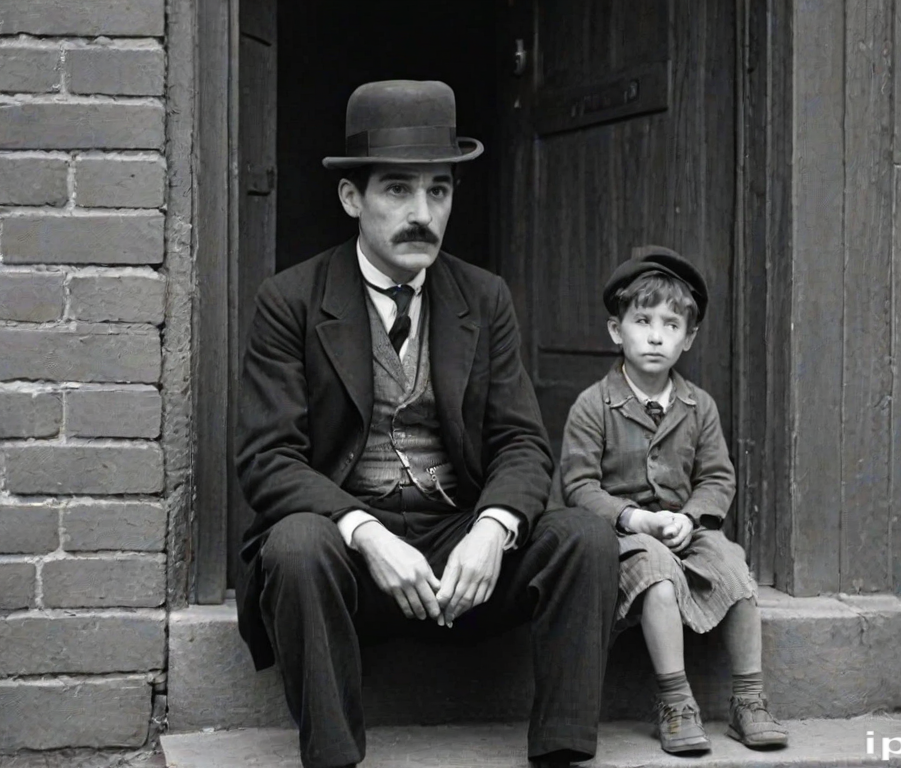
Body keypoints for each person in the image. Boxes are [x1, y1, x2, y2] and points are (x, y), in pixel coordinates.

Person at [234, 80, 618, 768]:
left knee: (584, 538)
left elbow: (523, 444)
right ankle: (333, 757)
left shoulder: (483, 296)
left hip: (457, 547)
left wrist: (493, 527)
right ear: (353, 198)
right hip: (348, 561)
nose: (423, 214)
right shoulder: (289, 301)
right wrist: (368, 532)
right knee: (294, 546)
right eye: (398, 191)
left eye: (438, 191)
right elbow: (268, 459)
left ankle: (562, 750)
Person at [556, 246, 789, 755]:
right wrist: (634, 517)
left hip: (684, 529)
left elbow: (717, 478)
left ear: (689, 338)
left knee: (735, 571)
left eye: (671, 325)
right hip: (624, 536)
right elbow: (578, 487)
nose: (656, 336)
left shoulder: (697, 405)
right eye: (642, 321)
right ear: (617, 331)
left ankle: (748, 699)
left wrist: (689, 517)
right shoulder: (594, 405)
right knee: (659, 576)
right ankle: (676, 701)